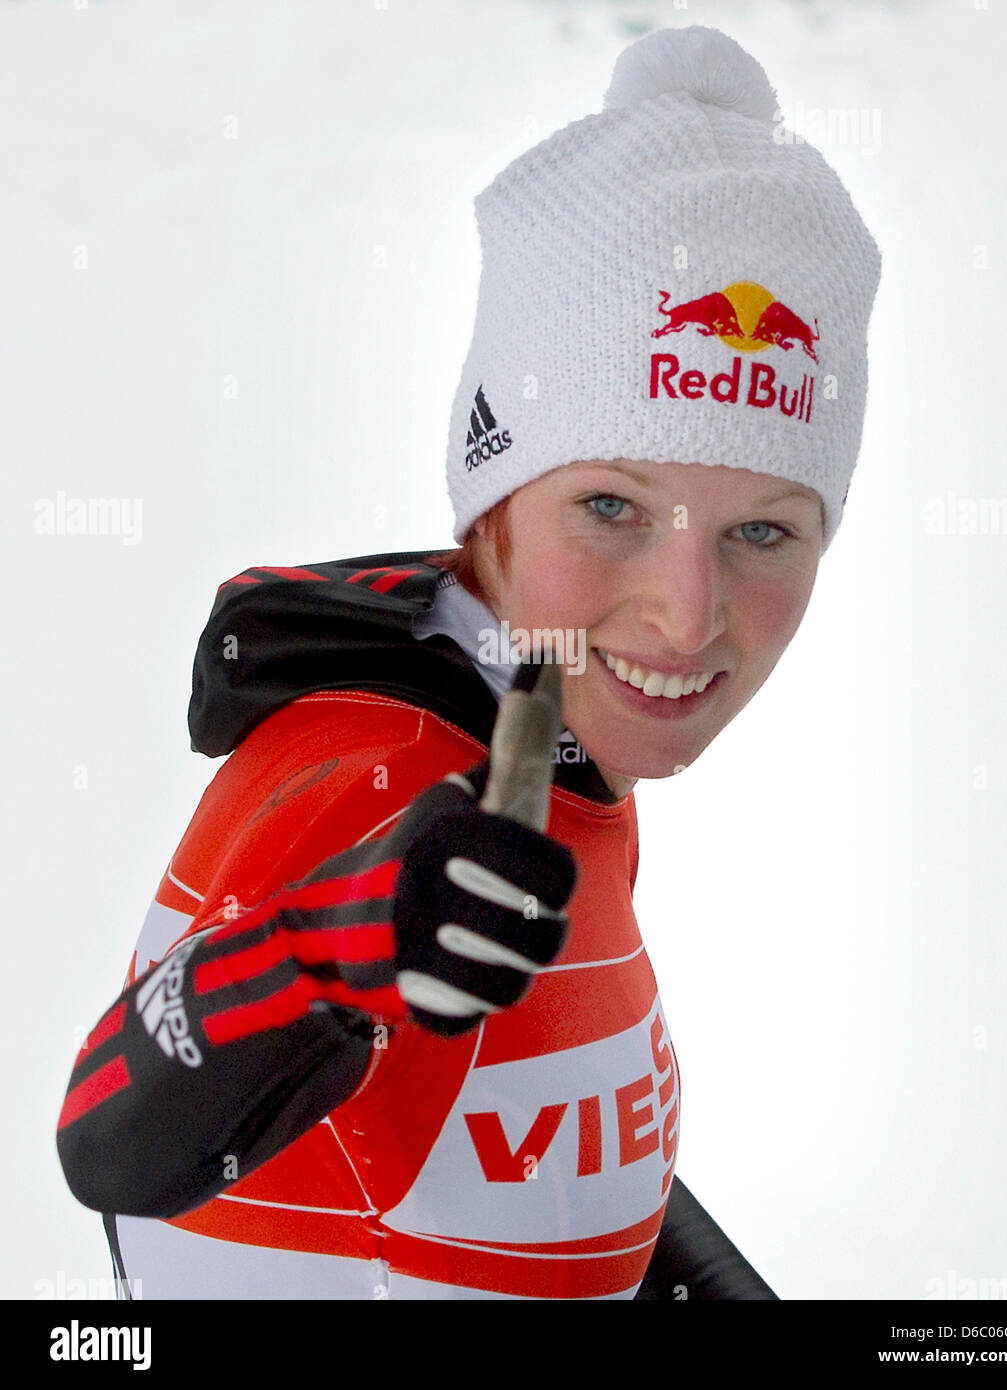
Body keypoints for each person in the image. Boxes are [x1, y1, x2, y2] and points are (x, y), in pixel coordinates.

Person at [55, 24, 880, 1300]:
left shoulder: (555, 736)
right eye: (611, 505)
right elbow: (108, 1134)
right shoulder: (379, 772)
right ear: (491, 500)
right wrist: (328, 948)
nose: (683, 613)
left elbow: (532, 1137)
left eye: (763, 530)